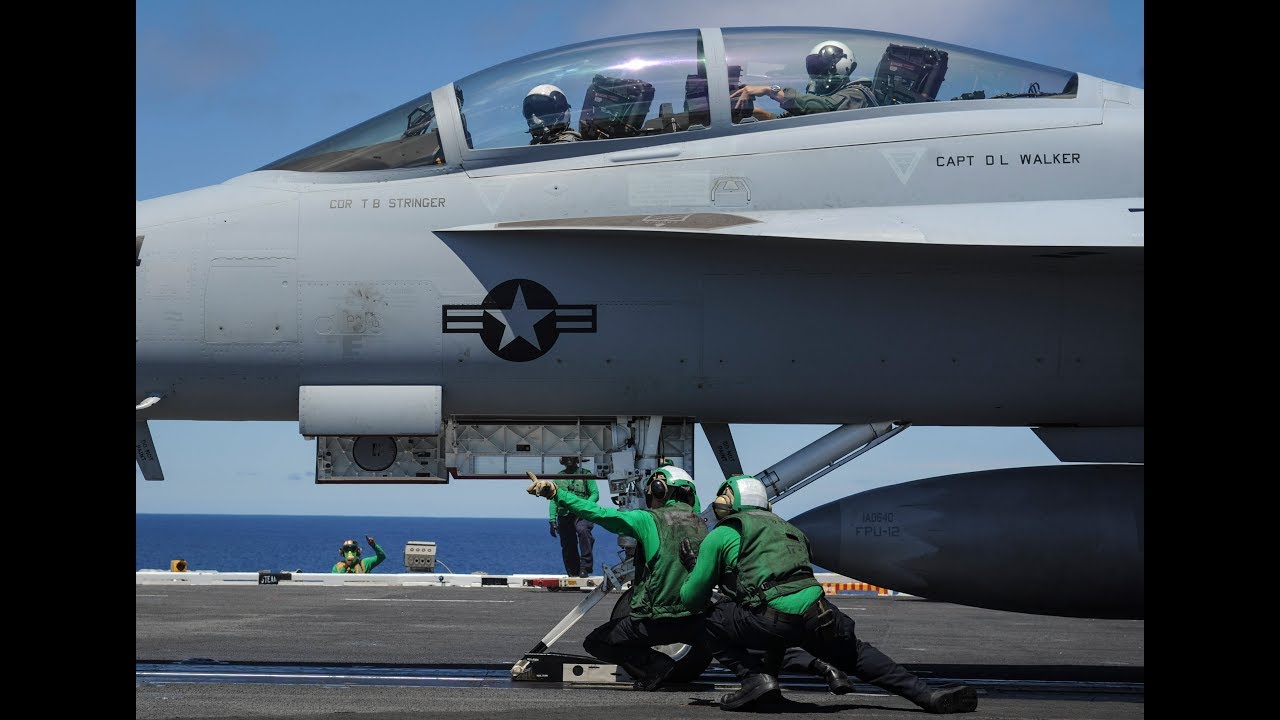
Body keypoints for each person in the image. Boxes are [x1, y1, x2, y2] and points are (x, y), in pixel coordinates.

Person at [679, 475, 978, 713]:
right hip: (819, 615)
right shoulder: (791, 530)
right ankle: (926, 694)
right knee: (857, 655)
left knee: (702, 621)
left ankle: (754, 680)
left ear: (728, 501)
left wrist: (695, 568)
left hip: (770, 620)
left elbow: (692, 597)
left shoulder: (722, 533)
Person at [527, 465, 706, 691]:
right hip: (695, 621)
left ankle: (656, 663)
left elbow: (600, 514)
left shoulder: (647, 520)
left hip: (654, 621)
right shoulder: (703, 525)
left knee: (595, 642)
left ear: (660, 490)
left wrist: (556, 493)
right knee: (732, 636)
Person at [731, 40, 878, 122]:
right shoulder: (822, 99)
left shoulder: (857, 94)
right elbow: (786, 122)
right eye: (813, 67)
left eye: (820, 67)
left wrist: (770, 90)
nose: (815, 73)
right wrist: (755, 111)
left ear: (841, 66)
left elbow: (825, 108)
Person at [547, 455, 600, 577]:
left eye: (572, 457)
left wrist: (585, 505)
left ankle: (585, 567)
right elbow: (553, 499)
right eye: (566, 457)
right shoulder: (558, 478)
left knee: (583, 531)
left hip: (582, 513)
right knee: (567, 543)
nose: (569, 460)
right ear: (563, 461)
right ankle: (572, 571)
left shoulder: (585, 474)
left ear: (577, 459)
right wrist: (552, 519)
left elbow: (595, 494)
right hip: (564, 514)